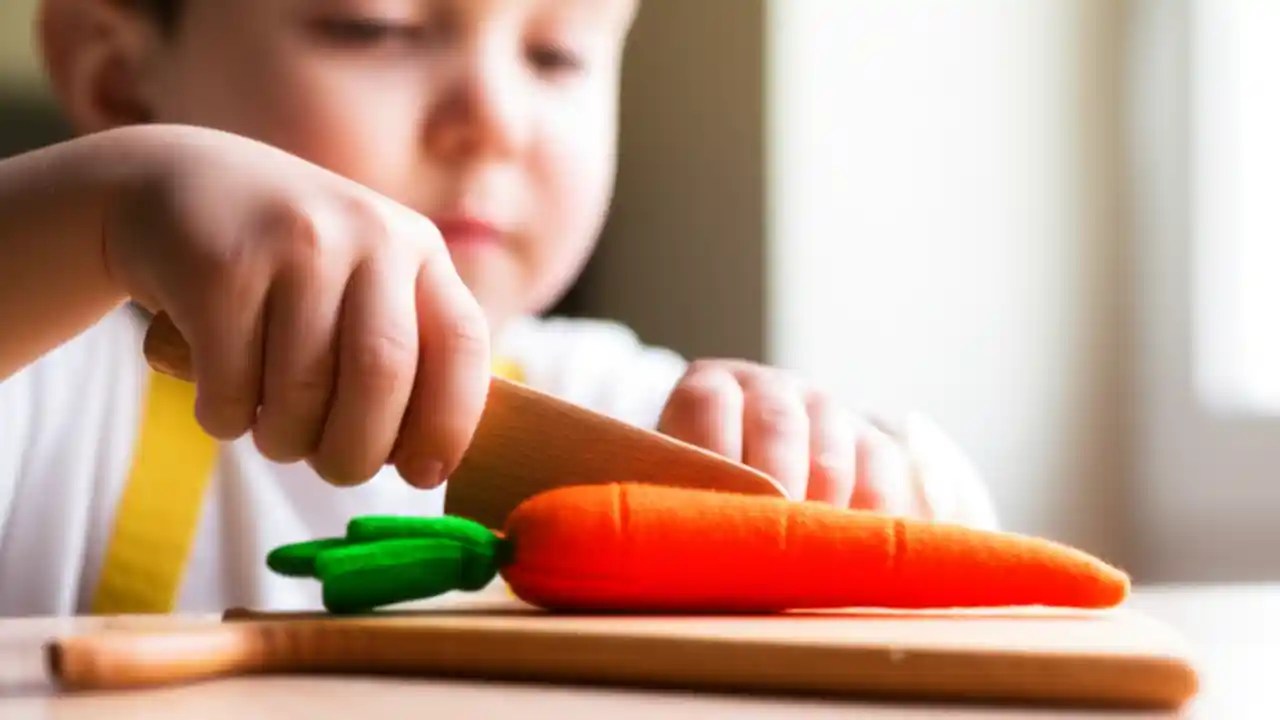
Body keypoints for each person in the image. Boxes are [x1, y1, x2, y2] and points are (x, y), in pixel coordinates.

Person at [0, 0, 998, 617]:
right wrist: (107, 207)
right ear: (117, 76)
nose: (495, 118)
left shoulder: (618, 410)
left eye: (556, 53)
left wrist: (851, 471)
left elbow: (957, 544)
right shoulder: (52, 384)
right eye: (375, 27)